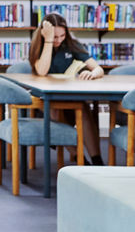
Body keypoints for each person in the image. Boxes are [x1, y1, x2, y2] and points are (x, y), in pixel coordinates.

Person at [29, 12, 106, 161]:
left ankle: (97, 160)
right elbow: (42, 71)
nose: (58, 40)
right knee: (55, 111)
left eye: (62, 36)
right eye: (55, 36)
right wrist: (48, 41)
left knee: (84, 109)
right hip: (44, 98)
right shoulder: (38, 46)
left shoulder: (71, 44)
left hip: (67, 95)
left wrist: (94, 73)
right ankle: (79, 157)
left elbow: (98, 68)